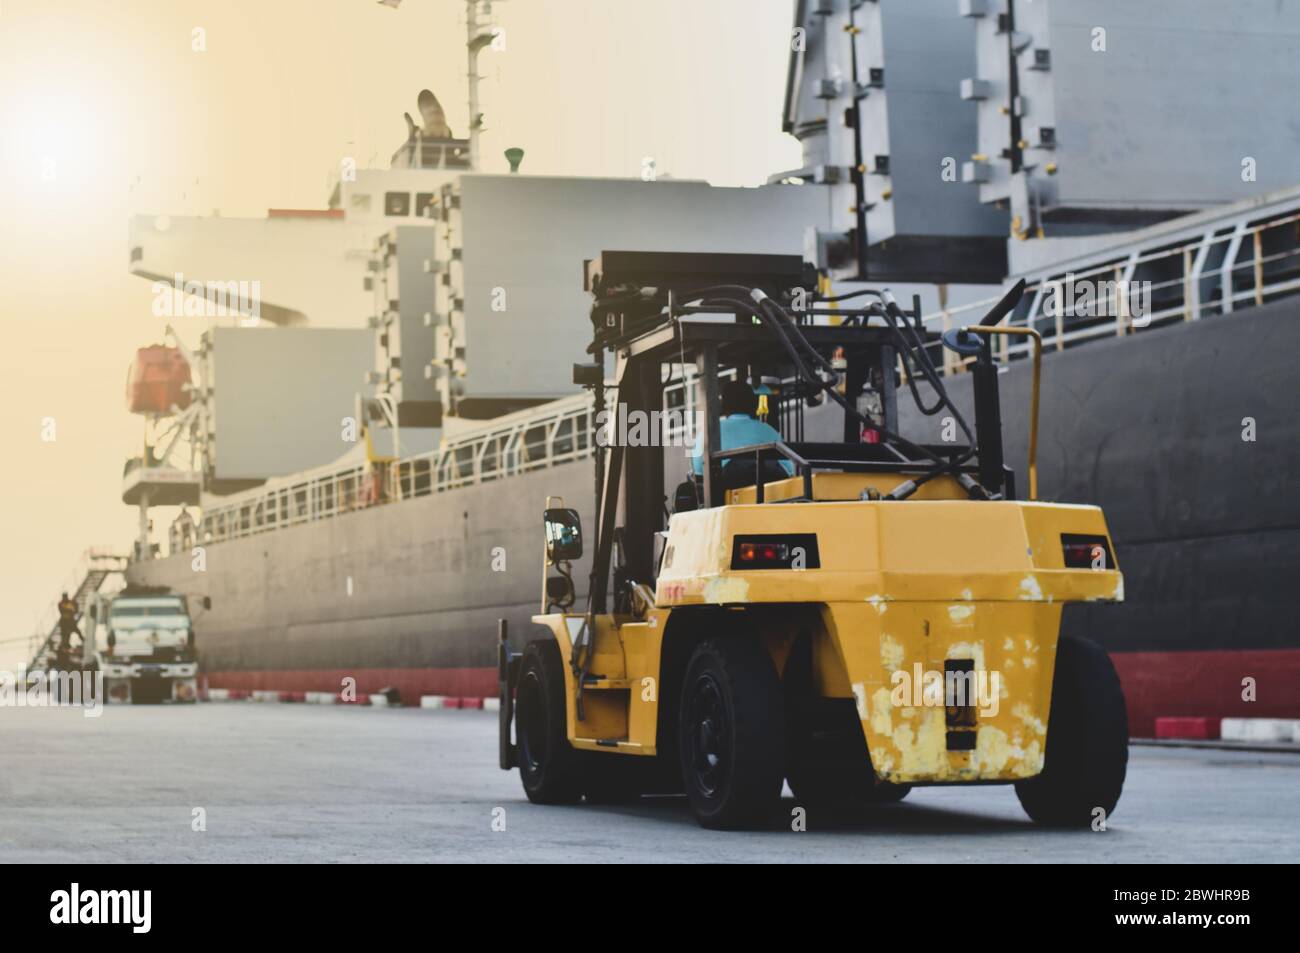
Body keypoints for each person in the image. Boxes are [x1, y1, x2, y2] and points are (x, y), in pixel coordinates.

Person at [689, 380, 795, 478]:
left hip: (723, 495)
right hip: (770, 496)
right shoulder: (770, 432)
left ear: (723, 405)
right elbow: (789, 470)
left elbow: (697, 469)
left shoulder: (710, 432)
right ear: (753, 404)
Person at [54, 592, 82, 669]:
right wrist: (70, 608)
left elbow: (75, 609)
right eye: (64, 597)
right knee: (65, 636)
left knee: (78, 632)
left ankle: (81, 640)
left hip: (71, 622)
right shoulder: (61, 603)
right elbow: (63, 610)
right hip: (64, 623)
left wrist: (72, 607)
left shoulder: (70, 602)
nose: (65, 598)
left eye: (65, 597)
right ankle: (65, 645)